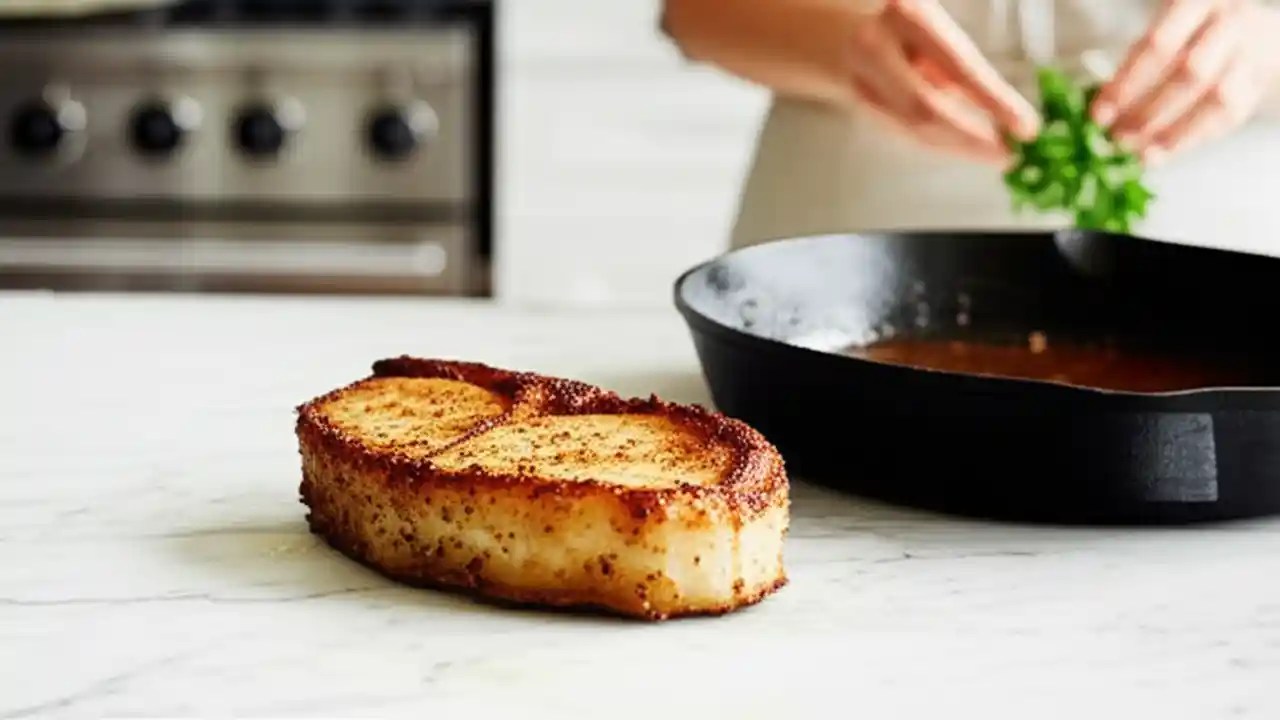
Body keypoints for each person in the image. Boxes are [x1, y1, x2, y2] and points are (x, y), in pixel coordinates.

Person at [660, 0, 1280, 255]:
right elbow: (697, 10)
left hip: (1213, 256)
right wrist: (849, 39)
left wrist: (1263, 42)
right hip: (845, 252)